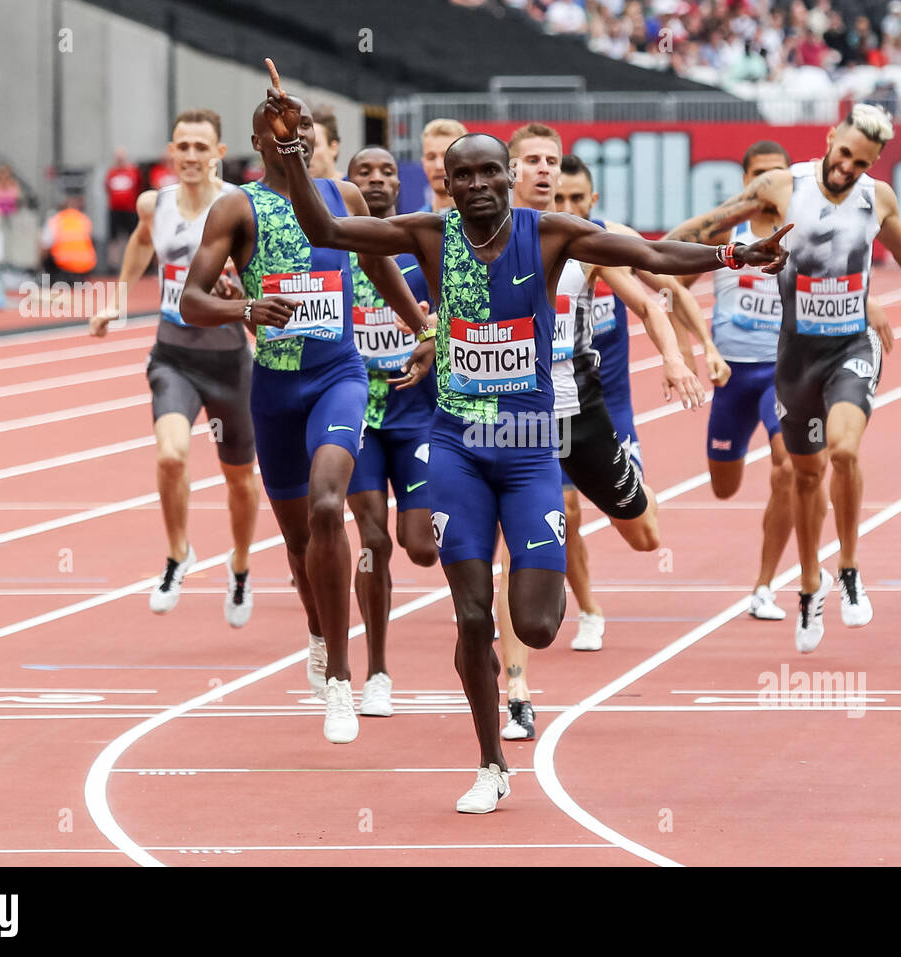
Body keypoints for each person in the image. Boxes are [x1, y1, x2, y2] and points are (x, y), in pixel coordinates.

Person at [259, 61, 792, 810]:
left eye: (488, 173)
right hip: (456, 448)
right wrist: (289, 152)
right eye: (462, 175)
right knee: (473, 611)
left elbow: (652, 256)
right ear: (446, 182)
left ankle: (524, 612)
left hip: (532, 446)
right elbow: (327, 227)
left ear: (508, 177)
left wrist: (734, 254)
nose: (476, 185)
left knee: (537, 624)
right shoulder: (427, 234)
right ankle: (488, 762)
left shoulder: (552, 237)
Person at [665, 104, 901, 653]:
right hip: (795, 356)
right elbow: (701, 227)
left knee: (843, 452)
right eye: (842, 154)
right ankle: (809, 587)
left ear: (874, 163)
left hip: (850, 347)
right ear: (829, 140)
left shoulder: (877, 197)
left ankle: (848, 569)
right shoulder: (781, 185)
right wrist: (654, 254)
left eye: (861, 163)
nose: (846, 169)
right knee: (806, 476)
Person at [180, 75, 430, 745]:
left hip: (337, 378)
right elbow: (190, 300)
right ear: (262, 142)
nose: (301, 142)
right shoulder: (237, 209)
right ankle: (319, 632)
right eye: (287, 133)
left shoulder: (340, 197)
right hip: (275, 392)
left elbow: (378, 266)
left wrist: (421, 327)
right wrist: (245, 309)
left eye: (309, 134)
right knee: (297, 548)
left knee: (328, 504)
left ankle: (343, 683)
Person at [494, 124, 705, 742]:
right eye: (529, 160)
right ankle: (516, 690)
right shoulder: (479, 240)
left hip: (582, 408)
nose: (542, 171)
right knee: (524, 545)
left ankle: (620, 496)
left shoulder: (583, 244)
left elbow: (651, 293)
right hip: (518, 419)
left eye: (550, 162)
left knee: (645, 536)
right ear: (508, 171)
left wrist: (673, 358)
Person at [675, 139, 888, 621]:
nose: (772, 182)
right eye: (760, 175)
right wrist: (693, 350)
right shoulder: (729, 238)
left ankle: (769, 584)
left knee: (792, 467)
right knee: (724, 486)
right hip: (731, 375)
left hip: (786, 369)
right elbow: (671, 286)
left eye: (779, 173)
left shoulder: (813, 232)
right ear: (748, 184)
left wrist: (866, 302)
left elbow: (850, 275)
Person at [551, 151, 729, 656]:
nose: (567, 206)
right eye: (559, 197)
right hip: (554, 404)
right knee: (562, 509)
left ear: (594, 200)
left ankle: (638, 492)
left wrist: (702, 348)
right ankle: (586, 609)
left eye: (576, 199)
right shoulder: (538, 242)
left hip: (611, 401)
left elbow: (666, 292)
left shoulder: (607, 241)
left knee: (644, 538)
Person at [89, 109, 260, 629]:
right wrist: (117, 298)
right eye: (181, 147)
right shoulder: (154, 204)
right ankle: (177, 554)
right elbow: (143, 240)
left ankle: (240, 565)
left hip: (230, 358)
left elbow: (264, 272)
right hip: (174, 355)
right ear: (171, 151)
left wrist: (245, 295)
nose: (189, 156)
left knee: (239, 480)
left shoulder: (241, 207)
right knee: (170, 456)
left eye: (200, 147)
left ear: (219, 153)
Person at [343, 145, 440, 718]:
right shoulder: (334, 250)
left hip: (417, 411)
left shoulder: (417, 248)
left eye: (385, 173)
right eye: (364, 173)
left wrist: (433, 333)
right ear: (349, 186)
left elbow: (459, 311)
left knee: (421, 547)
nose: (376, 180)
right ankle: (377, 670)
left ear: (398, 188)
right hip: (358, 412)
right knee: (373, 542)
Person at [40, 193, 96, 279]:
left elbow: (45, 245)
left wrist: (40, 264)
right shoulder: (84, 219)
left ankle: (44, 278)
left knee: (47, 255)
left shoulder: (56, 220)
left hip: (63, 267)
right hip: (85, 268)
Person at [418, 118, 468, 213]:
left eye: (447, 156)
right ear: (423, 162)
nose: (439, 166)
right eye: (431, 157)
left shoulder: (485, 222)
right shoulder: (415, 224)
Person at [105, 148, 141, 271]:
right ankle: (113, 265)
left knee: (131, 237)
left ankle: (132, 262)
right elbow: (107, 188)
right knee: (114, 238)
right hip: (115, 209)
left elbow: (138, 186)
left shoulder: (132, 171)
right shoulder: (111, 172)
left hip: (130, 209)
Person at [307, 104, 341, 181]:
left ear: (334, 148)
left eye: (313, 146)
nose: (304, 153)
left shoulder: (357, 187)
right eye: (300, 146)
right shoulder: (287, 190)